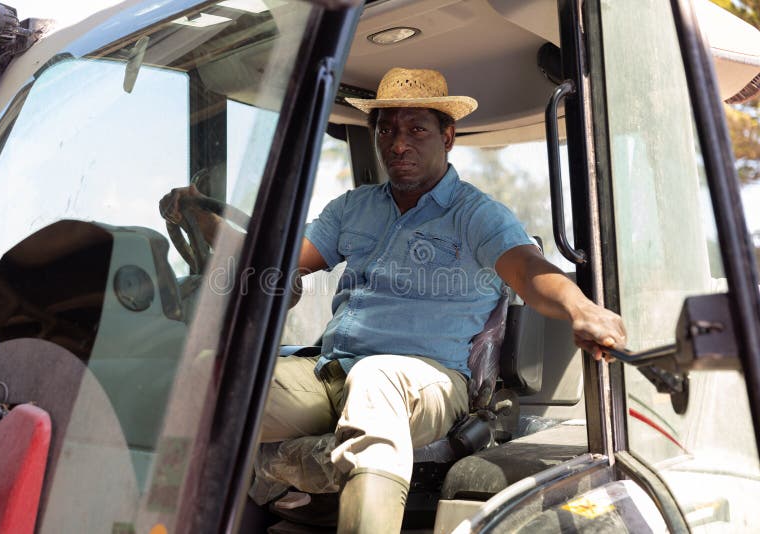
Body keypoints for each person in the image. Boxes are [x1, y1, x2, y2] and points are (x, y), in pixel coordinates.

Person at [161, 67, 626, 533]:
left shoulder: (475, 214)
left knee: (376, 376)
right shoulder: (352, 208)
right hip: (332, 373)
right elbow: (280, 263)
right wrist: (205, 223)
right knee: (209, 379)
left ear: (448, 137)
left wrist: (583, 310)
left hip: (430, 384)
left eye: (416, 130)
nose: (397, 144)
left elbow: (527, 270)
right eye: (387, 129)